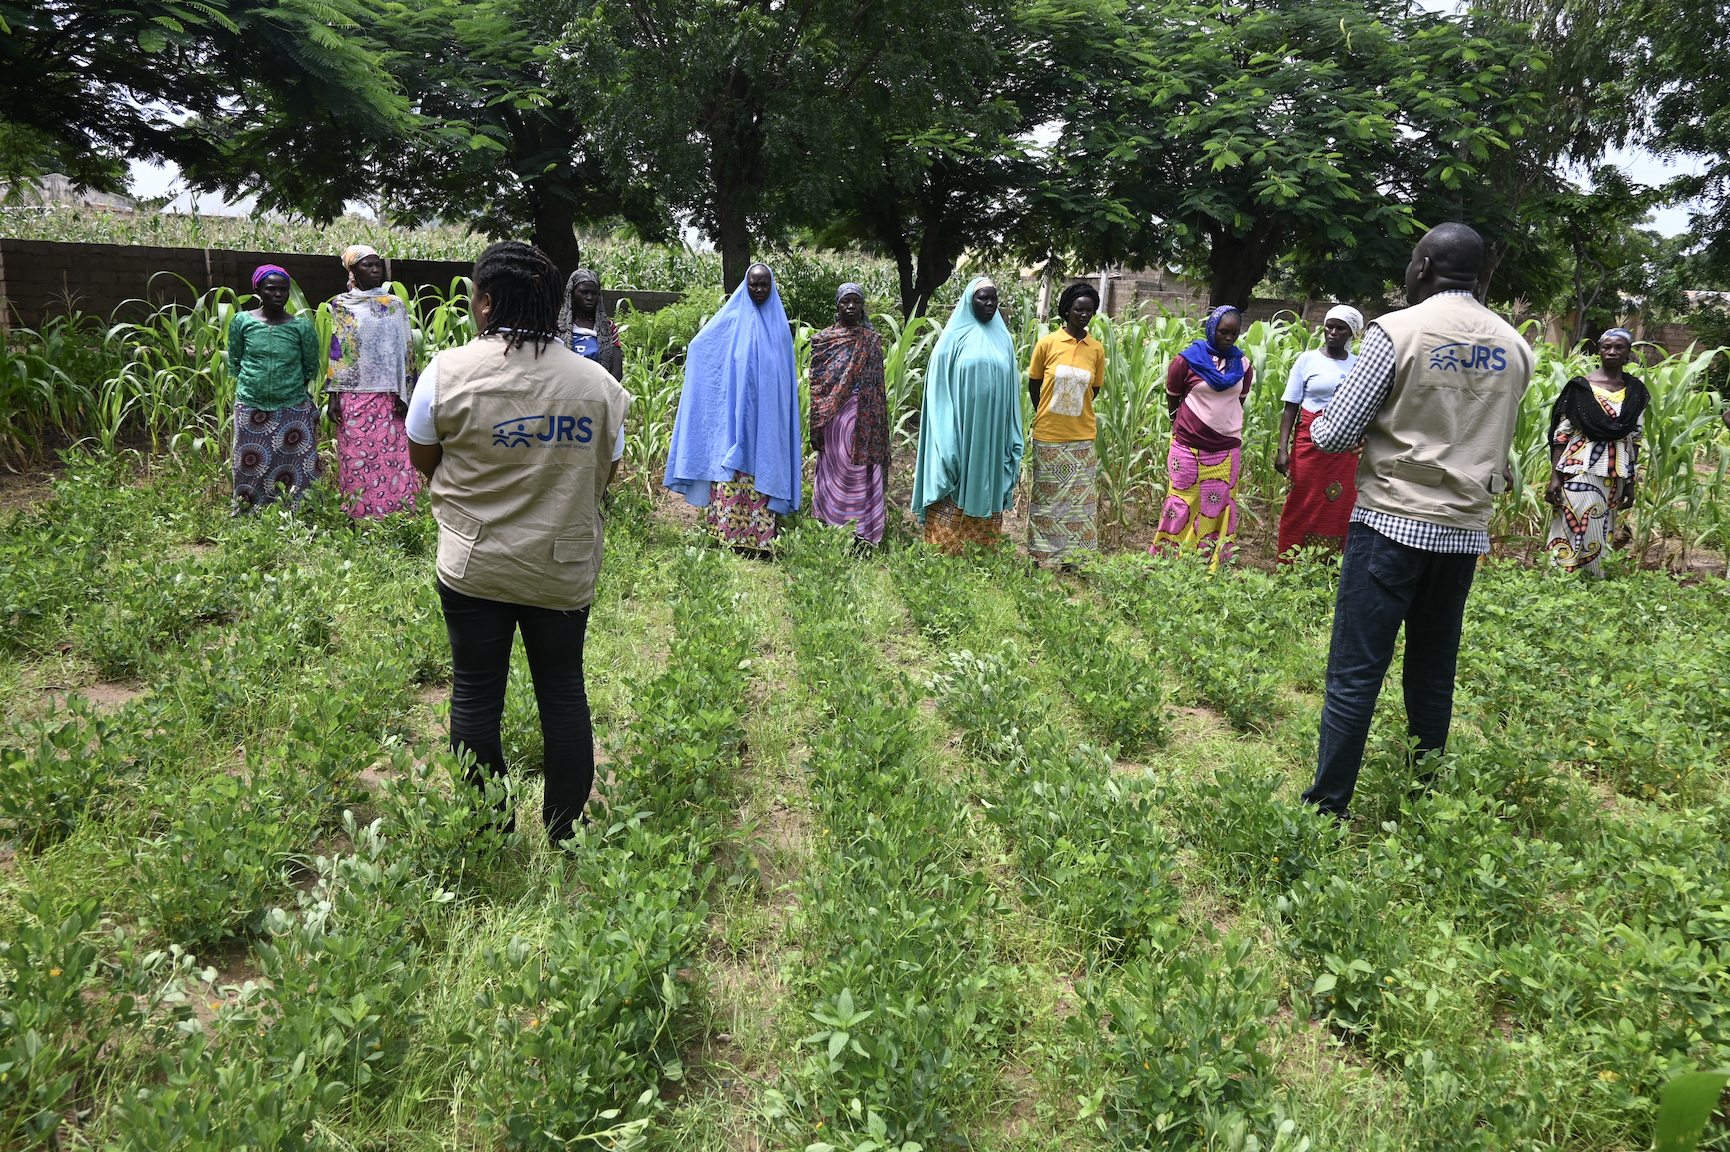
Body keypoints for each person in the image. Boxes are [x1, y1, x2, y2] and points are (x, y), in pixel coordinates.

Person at [1299, 222, 1533, 819]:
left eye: (1411, 262)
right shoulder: (1514, 346)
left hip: (1391, 524)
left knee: (1355, 671)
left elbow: (1333, 432)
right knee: (1433, 670)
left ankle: (1328, 806)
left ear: (1424, 266)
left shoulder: (1396, 332)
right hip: (1462, 533)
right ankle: (1423, 795)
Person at [404, 241, 631, 846]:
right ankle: (563, 831)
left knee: (476, 692)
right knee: (562, 688)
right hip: (561, 566)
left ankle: (487, 825)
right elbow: (603, 476)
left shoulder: (446, 373)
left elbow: (425, 461)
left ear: (483, 304)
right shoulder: (600, 387)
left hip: (473, 563)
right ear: (555, 305)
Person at [663, 263, 802, 551]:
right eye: (754, 284)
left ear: (772, 286)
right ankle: (728, 537)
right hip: (731, 420)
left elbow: (784, 378)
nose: (759, 290)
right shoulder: (731, 319)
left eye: (764, 284)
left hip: (765, 420)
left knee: (762, 469)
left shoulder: (778, 328)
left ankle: (760, 541)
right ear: (746, 285)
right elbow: (702, 347)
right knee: (731, 472)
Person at [910, 277, 1024, 555]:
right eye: (982, 298)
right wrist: (946, 436)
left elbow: (1011, 392)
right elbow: (938, 391)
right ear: (968, 301)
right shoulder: (952, 338)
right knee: (955, 474)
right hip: (960, 430)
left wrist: (1012, 433)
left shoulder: (1003, 339)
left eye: (993, 298)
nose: (989, 303)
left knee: (986, 476)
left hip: (992, 432)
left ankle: (981, 552)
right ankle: (946, 550)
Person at [1148, 304, 1254, 566]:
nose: (1229, 338)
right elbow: (1173, 399)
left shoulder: (1242, 365)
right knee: (1181, 501)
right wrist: (1187, 425)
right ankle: (1169, 560)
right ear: (1211, 329)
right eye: (1223, 332)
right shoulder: (1186, 361)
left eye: (1234, 333)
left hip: (1227, 449)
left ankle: (1208, 561)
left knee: (1218, 504)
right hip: (1187, 448)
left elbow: (1237, 401)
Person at [327, 245, 420, 518]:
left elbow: (407, 351)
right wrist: (333, 398)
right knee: (356, 458)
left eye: (378, 264)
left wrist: (406, 394)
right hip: (354, 396)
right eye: (368, 265)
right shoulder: (343, 305)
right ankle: (359, 514)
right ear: (353, 271)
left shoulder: (395, 306)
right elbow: (338, 352)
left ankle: (398, 515)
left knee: (394, 457)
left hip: (390, 396)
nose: (376, 270)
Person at [1545, 327, 1646, 577]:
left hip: (1615, 470)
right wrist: (1555, 476)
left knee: (1601, 525)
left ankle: (1592, 579)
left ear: (1628, 352)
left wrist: (1631, 483)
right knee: (1571, 517)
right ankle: (1559, 576)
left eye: (1619, 347)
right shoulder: (1580, 387)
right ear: (1599, 350)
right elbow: (1562, 433)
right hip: (1577, 465)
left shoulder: (1635, 391)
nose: (1612, 352)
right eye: (1606, 347)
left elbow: (1635, 438)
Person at [228, 265, 323, 514]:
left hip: (292, 406)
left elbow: (310, 364)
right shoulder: (242, 321)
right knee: (248, 462)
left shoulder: (301, 327)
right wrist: (255, 384)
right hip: (251, 404)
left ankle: (298, 511)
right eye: (271, 289)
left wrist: (290, 387)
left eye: (283, 289)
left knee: (297, 462)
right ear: (258, 289)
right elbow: (235, 360)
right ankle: (249, 510)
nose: (278, 294)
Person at [1025, 282, 1107, 567]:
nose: (1084, 314)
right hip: (1049, 435)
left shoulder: (1096, 349)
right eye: (1079, 309)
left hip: (1082, 436)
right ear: (1066, 310)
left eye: (1090, 310)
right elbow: (1035, 384)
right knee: (1047, 500)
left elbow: (1093, 390)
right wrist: (1047, 412)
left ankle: (1077, 560)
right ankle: (1042, 557)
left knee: (1079, 505)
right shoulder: (1047, 343)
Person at [1275, 305, 1364, 559]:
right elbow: (1290, 407)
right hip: (1308, 445)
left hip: (1344, 451)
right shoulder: (1307, 360)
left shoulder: (1358, 366)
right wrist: (1283, 449)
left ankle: (1329, 566)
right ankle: (1290, 561)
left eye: (1341, 328)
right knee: (1301, 501)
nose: (1333, 332)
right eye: (1329, 326)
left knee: (1339, 504)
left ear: (1352, 333)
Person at [809, 283, 891, 547]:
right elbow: (818, 387)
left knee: (859, 474)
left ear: (862, 305)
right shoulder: (824, 342)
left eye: (856, 301)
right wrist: (816, 426)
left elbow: (878, 389)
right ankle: (832, 526)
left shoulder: (871, 341)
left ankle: (861, 532)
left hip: (865, 419)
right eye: (845, 302)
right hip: (834, 419)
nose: (851, 307)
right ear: (837, 305)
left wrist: (877, 428)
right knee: (837, 471)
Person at [556, 268, 624, 380]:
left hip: (599, 392)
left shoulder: (608, 328)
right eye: (584, 292)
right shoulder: (558, 326)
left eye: (594, 293)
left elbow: (616, 372)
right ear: (572, 293)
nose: (589, 298)